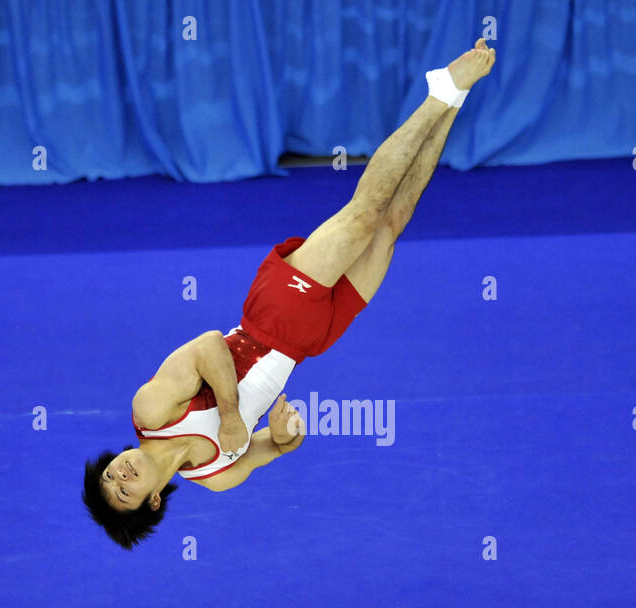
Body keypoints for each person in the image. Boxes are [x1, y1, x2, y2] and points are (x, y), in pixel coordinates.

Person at [84, 40, 497, 549]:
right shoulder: (217, 476)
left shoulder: (150, 412)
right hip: (309, 343)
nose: (120, 475)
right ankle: (454, 102)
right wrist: (284, 433)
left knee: (364, 212)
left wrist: (232, 413)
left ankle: (442, 90)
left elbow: (209, 345)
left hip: (273, 314)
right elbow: (278, 448)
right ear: (151, 502)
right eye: (124, 491)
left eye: (110, 475)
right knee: (391, 226)